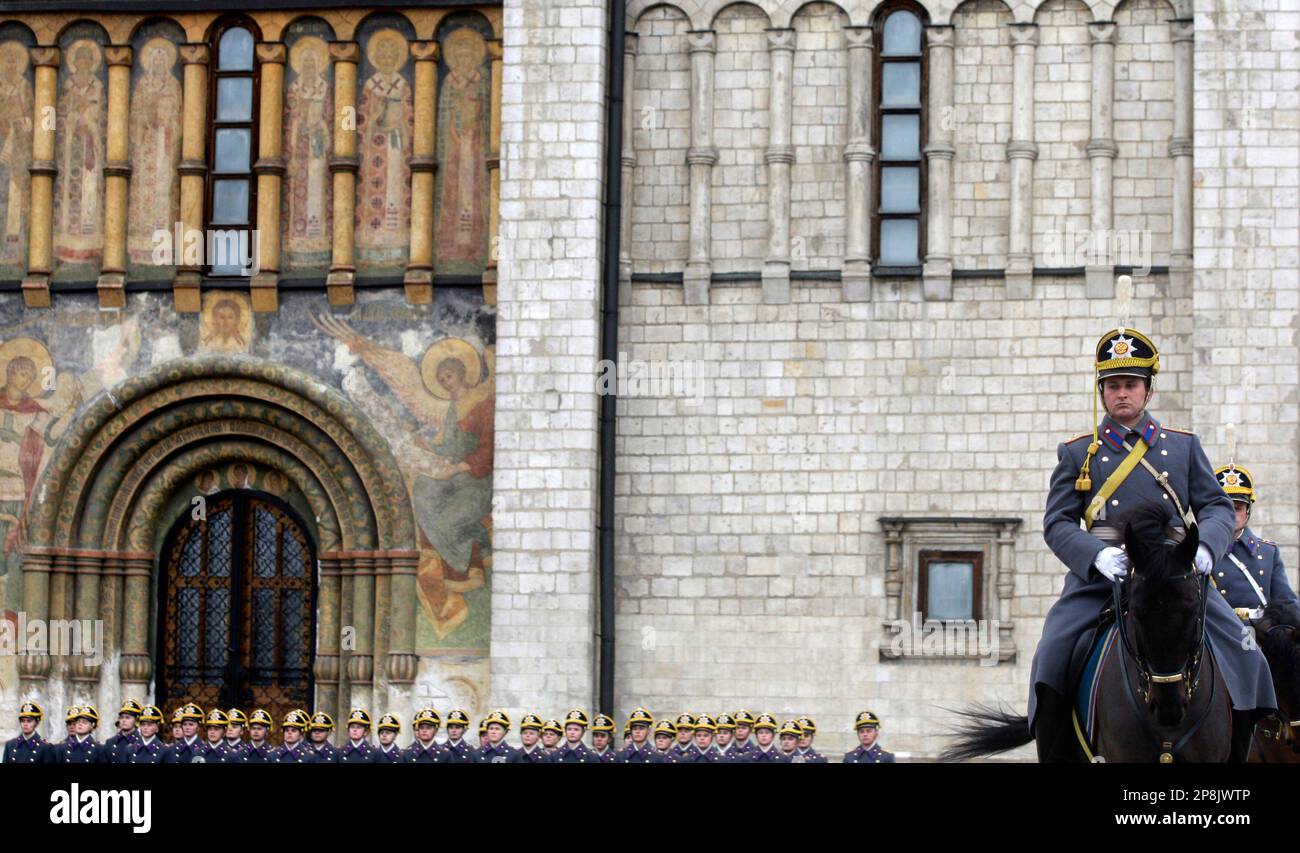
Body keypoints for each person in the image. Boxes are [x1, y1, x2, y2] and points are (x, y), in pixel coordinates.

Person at [1032, 327, 1276, 760]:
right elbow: (1057, 522)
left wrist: (1206, 549)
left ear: (1147, 389)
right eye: (1113, 386)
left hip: (1177, 572)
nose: (1121, 394)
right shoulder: (1078, 453)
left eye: (1131, 385)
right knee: (1050, 660)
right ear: (1102, 391)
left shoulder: (1182, 447)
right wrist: (1096, 555)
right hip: (1107, 575)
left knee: (1247, 655)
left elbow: (1217, 508)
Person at [1211, 464, 1298, 618]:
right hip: (1220, 635)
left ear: (1247, 512)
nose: (1232, 515)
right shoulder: (1203, 551)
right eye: (1227, 508)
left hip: (1261, 634)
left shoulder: (1268, 551)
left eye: (1237, 508)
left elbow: (1286, 602)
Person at [98, 698, 141, 764]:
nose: (124, 720)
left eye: (127, 717)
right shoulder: (110, 742)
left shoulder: (141, 742)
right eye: (122, 717)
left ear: (136, 720)